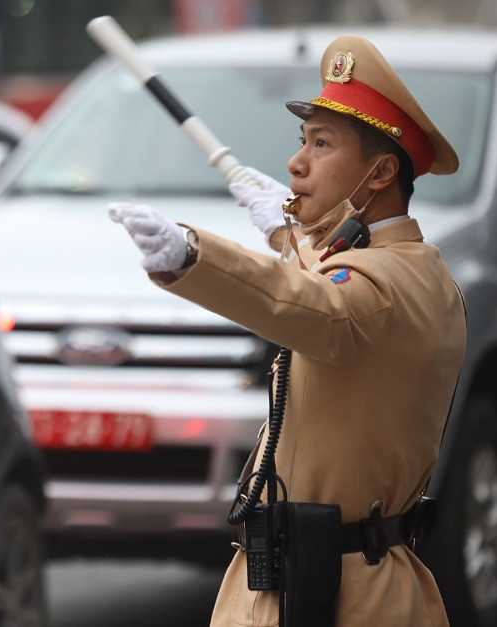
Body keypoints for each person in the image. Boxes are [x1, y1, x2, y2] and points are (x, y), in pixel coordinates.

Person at [108, 35, 467, 625]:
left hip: (342, 596)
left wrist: (193, 255)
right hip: (304, 575)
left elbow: (314, 305)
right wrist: (287, 231)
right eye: (303, 141)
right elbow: (326, 274)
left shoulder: (384, 285)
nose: (296, 163)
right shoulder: (405, 268)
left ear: (379, 172)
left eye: (321, 145)